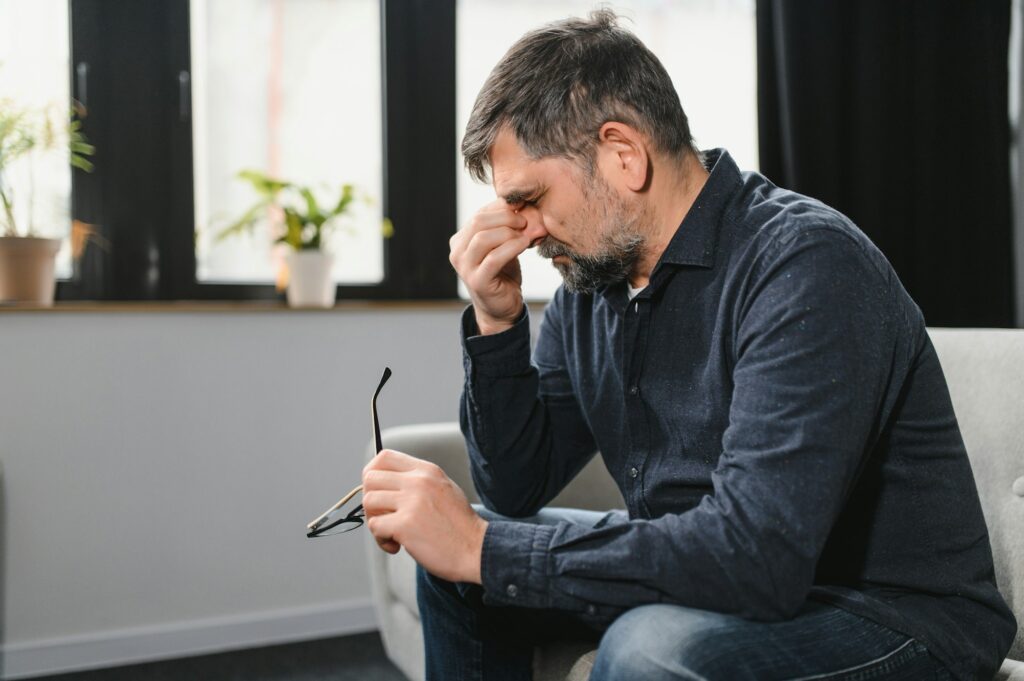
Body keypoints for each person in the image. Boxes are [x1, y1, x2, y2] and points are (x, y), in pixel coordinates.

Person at [361, 10, 1016, 680]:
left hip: (889, 612)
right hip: (723, 579)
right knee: (460, 569)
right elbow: (513, 484)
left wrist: (488, 549)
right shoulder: (591, 291)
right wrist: (496, 322)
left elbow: (759, 557)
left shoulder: (806, 264)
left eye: (528, 199)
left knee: (647, 646)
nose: (522, 233)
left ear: (623, 155)